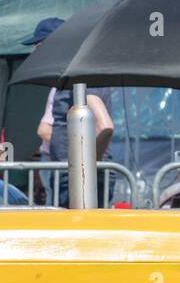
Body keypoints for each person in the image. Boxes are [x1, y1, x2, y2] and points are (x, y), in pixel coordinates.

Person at [22, 17, 114, 205]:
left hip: (75, 177)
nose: (36, 53)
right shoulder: (74, 76)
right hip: (72, 173)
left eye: (40, 47)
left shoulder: (80, 76)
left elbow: (105, 127)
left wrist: (85, 165)